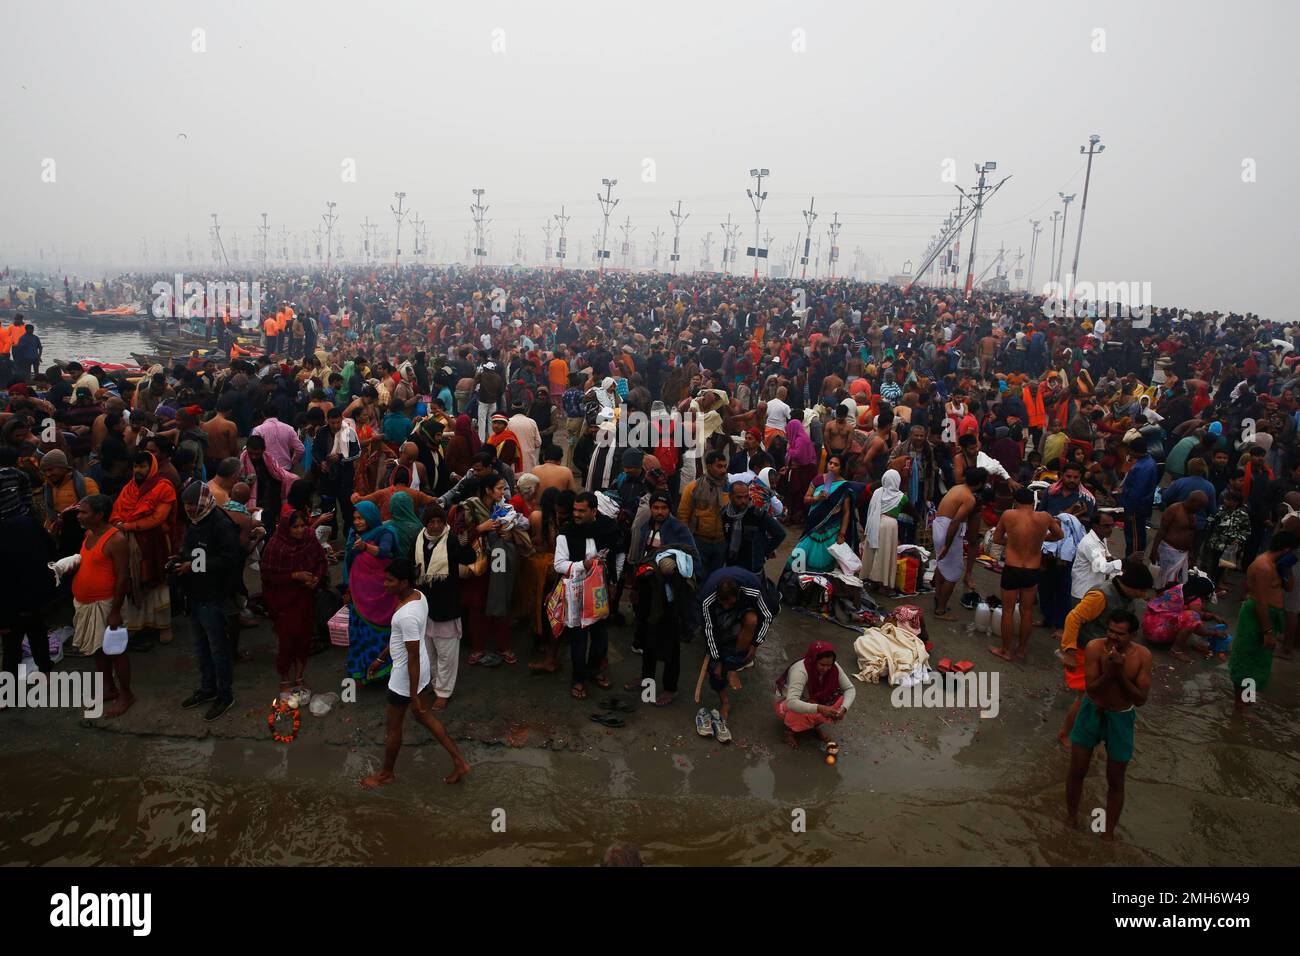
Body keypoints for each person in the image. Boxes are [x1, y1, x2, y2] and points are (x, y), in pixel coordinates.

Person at [361, 558, 470, 787]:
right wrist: (381, 658)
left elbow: (411, 656)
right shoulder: (418, 596)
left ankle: (386, 774)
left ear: (403, 582)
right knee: (425, 718)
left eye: (390, 581)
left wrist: (412, 695)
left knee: (393, 727)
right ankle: (459, 762)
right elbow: (402, 639)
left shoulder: (407, 614)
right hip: (417, 671)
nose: (385, 584)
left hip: (405, 677)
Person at [1064, 610, 1151, 841]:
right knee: (1077, 770)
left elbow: (1141, 699)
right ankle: (1071, 819)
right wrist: (1110, 672)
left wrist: (1118, 674)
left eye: (1120, 634)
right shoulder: (1094, 647)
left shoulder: (1142, 656)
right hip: (1092, 711)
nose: (1113, 637)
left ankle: (1108, 833)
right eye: (1110, 631)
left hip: (1121, 717)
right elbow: (1091, 690)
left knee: (1115, 779)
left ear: (1132, 634)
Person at [1057, 558, 1152, 746]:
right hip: (1087, 651)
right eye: (1142, 590)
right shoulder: (1101, 596)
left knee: (1102, 697)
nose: (1143, 595)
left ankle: (1097, 739)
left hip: (1108, 654)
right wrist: (1069, 650)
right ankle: (1065, 733)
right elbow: (1073, 618)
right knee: (1085, 697)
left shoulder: (1126, 598)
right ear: (1133, 587)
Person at [175, 481, 244, 721]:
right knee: (201, 648)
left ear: (203, 501)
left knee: (218, 649)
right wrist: (180, 560)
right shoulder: (195, 523)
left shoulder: (221, 525)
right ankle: (207, 689)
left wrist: (193, 566)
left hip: (213, 597)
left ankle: (225, 695)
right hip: (194, 595)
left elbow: (229, 560)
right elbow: (192, 552)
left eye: (192, 505)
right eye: (185, 505)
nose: (189, 509)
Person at [625, 491, 697, 704]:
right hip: (647, 591)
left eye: (663, 508)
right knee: (647, 636)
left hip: (669, 595)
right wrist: (634, 587)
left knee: (670, 641)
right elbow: (636, 558)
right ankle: (647, 680)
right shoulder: (644, 527)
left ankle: (670, 687)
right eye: (656, 508)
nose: (659, 512)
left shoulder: (679, 529)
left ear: (670, 509)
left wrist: (674, 566)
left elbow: (694, 559)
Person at [69, 494, 131, 715]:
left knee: (116, 651)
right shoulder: (88, 534)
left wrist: (115, 611)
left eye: (83, 512)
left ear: (99, 515)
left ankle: (126, 695)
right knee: (98, 650)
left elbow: (123, 577)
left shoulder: (116, 540)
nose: (79, 516)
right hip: (86, 603)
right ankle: (108, 688)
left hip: (105, 604)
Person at [697, 567, 774, 743]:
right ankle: (725, 701)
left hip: (745, 607)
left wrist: (755, 644)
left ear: (737, 595)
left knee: (752, 621)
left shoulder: (753, 590)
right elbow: (709, 630)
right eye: (723, 603)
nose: (726, 607)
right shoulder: (707, 599)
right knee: (716, 667)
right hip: (717, 618)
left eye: (729, 603)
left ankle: (733, 665)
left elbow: (767, 616)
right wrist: (716, 659)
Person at [555, 491, 619, 700]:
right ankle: (578, 679)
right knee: (579, 639)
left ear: (593, 511)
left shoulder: (607, 529)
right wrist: (583, 564)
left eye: (582, 511)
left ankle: (594, 671)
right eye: (575, 510)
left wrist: (614, 582)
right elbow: (559, 564)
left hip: (599, 591)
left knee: (600, 637)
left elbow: (618, 552)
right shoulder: (566, 533)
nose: (576, 514)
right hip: (577, 592)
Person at [111, 451, 178, 647]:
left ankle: (164, 627)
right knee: (132, 581)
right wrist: (118, 523)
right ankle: (135, 626)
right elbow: (116, 509)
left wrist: (127, 526)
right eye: (135, 466)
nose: (137, 470)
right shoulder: (129, 488)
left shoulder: (164, 487)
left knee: (156, 582)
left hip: (155, 542)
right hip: (129, 543)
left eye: (142, 466)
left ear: (152, 467)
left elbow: (158, 518)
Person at [260, 508, 329, 693]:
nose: (299, 531)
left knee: (304, 638)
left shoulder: (309, 539)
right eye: (295, 527)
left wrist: (316, 578)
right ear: (286, 528)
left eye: (302, 526)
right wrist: (294, 576)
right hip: (284, 601)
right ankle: (284, 676)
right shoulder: (275, 546)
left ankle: (299, 675)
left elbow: (322, 561)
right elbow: (268, 576)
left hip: (305, 598)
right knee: (287, 640)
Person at [990, 487, 1063, 662]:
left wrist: (1013, 540)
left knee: (1007, 610)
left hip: (1012, 568)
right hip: (1032, 569)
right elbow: (1059, 535)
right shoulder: (1044, 517)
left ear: (1016, 502)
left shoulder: (1008, 515)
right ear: (1033, 502)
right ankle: (1022, 649)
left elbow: (997, 538)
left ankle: (1006, 650)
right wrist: (1040, 538)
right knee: (1027, 611)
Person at [1230, 530, 1297, 715]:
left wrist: (1287, 568)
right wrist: (1267, 631)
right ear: (1286, 550)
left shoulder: (1277, 565)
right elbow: (1260, 602)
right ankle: (1241, 705)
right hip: (1258, 618)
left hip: (1269, 616)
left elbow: (1289, 587)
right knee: (1247, 662)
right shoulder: (1263, 566)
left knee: (1258, 663)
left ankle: (1247, 701)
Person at [414, 504, 474, 708]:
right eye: (432, 522)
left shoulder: (451, 540)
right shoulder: (419, 540)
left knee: (446, 654)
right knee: (429, 651)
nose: (436, 526)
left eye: (440, 522)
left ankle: (444, 692)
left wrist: (465, 542)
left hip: (447, 606)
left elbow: (469, 558)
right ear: (426, 524)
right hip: (426, 606)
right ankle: (434, 682)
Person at [457, 473, 518, 665]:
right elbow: (459, 540)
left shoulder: (505, 509)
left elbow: (516, 532)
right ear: (488, 490)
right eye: (499, 488)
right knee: (477, 604)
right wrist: (480, 529)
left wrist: (509, 537)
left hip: (498, 559)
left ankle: (504, 646)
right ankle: (478, 647)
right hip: (477, 563)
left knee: (500, 600)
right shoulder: (468, 508)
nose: (503, 492)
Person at [343, 500, 400, 684]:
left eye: (361, 518)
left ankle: (385, 673)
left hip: (381, 596)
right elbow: (349, 564)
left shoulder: (385, 533)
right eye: (355, 518)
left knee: (382, 637)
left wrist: (366, 547)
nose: (357, 522)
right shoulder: (354, 535)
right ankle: (363, 671)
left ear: (371, 517)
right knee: (361, 637)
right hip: (360, 597)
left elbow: (384, 552)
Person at [774, 640, 855, 750]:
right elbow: (792, 702)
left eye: (829, 665)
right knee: (809, 708)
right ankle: (790, 731)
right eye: (822, 665)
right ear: (813, 660)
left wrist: (844, 709)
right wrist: (819, 708)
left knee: (839, 700)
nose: (826, 669)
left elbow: (849, 689)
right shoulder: (800, 671)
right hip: (787, 703)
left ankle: (813, 726)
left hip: (814, 699)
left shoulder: (834, 667)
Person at [931, 467, 988, 620]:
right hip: (948, 529)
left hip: (939, 525)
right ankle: (941, 610)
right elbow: (955, 521)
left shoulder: (957, 488)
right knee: (953, 573)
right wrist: (947, 545)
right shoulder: (969, 498)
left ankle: (938, 598)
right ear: (980, 483)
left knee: (942, 566)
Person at [678, 449, 730, 580]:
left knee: (716, 578)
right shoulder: (693, 488)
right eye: (719, 466)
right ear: (708, 466)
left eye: (725, 466)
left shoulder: (730, 489)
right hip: (698, 541)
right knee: (699, 577)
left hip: (721, 542)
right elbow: (683, 515)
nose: (723, 470)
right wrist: (686, 541)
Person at [720, 479, 786, 575]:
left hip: (752, 568)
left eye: (746, 497)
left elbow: (780, 533)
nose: (743, 501)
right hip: (731, 565)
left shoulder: (757, 515)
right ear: (730, 497)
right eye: (739, 497)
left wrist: (763, 551)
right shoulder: (725, 514)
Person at [1147, 491, 1206, 588]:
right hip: (1169, 550)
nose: (1200, 509)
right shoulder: (1174, 509)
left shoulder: (1192, 514)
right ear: (1192, 502)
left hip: (1183, 553)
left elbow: (1191, 534)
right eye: (1199, 506)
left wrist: (1190, 552)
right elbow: (1161, 531)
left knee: (1177, 583)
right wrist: (1154, 550)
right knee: (1163, 581)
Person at [862, 468, 908, 589]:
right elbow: (909, 510)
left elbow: (871, 508)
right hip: (890, 526)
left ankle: (871, 578)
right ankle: (882, 583)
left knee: (873, 551)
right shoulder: (902, 497)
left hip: (875, 522)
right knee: (885, 554)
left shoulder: (877, 492)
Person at [1119, 437, 1159, 555]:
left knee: (1134, 538)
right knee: (1136, 535)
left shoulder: (1143, 467)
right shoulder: (1148, 462)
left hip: (1136, 508)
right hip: (1139, 507)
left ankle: (1133, 561)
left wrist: (1130, 511)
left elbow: (1137, 492)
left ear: (1133, 450)